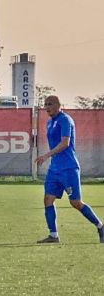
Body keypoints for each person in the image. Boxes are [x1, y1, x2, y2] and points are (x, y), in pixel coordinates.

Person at [35, 95, 104, 244]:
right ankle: (53, 235)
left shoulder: (65, 120)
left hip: (68, 168)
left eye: (50, 104)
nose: (47, 107)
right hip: (55, 169)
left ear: (59, 105)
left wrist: (46, 155)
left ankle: (100, 226)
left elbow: (65, 143)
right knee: (48, 199)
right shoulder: (49, 123)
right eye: (45, 104)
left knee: (76, 203)